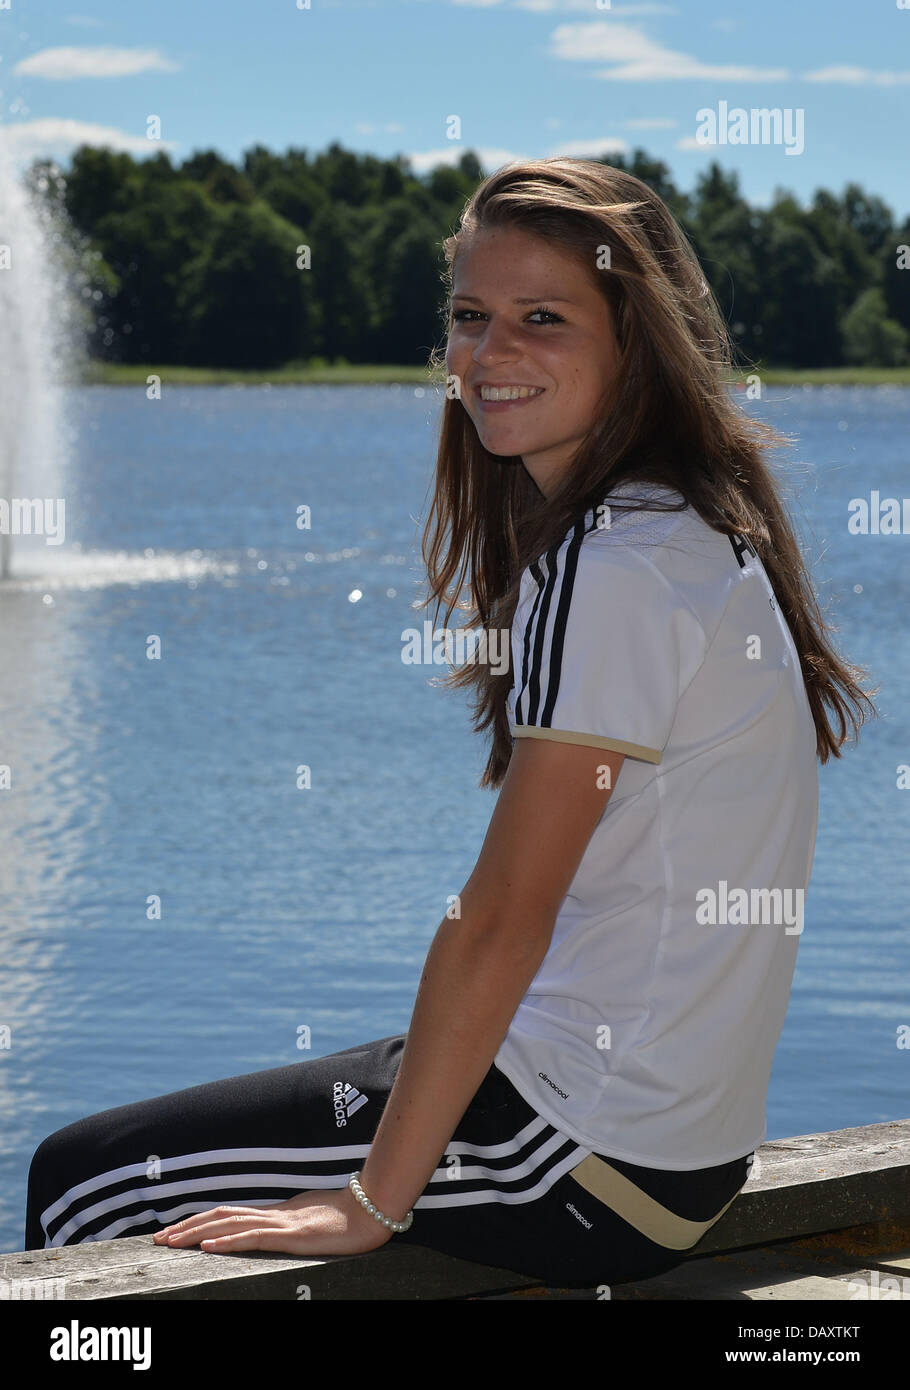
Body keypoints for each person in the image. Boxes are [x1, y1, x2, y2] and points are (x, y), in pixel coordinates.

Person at [24, 158, 877, 1291]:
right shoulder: (683, 529)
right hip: (662, 1141)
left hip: (581, 1151)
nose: (487, 353)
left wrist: (373, 1198)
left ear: (638, 339)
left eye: (542, 318)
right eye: (470, 317)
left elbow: (500, 924)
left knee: (87, 1181)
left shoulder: (616, 559)